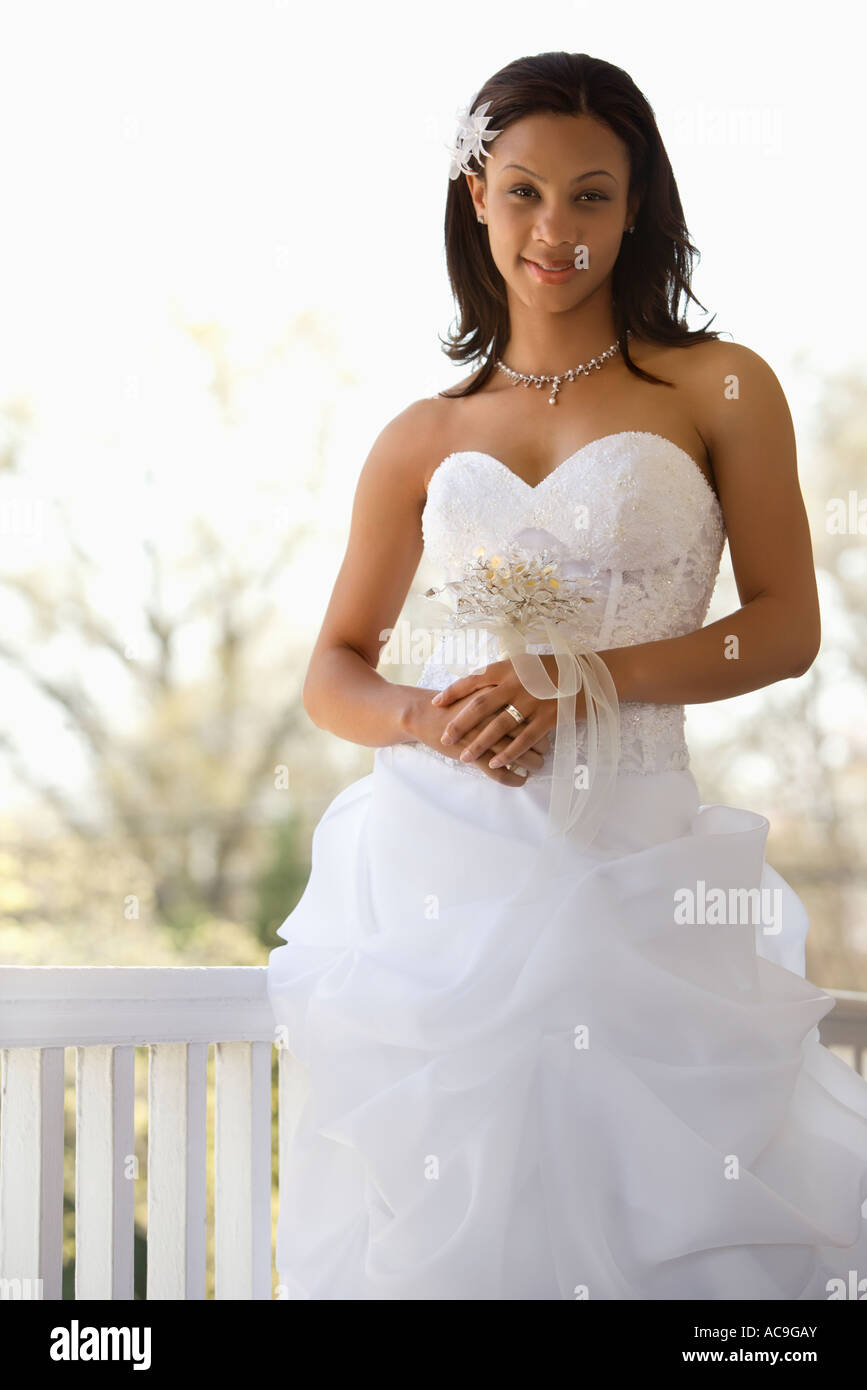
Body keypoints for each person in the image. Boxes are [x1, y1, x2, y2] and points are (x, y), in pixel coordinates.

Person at [266, 50, 867, 1300]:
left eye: (592, 195)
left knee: (669, 1213)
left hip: (639, 866)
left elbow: (788, 625)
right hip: (436, 878)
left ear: (638, 203)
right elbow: (333, 669)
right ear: (474, 195)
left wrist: (585, 676)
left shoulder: (721, 385)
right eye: (526, 191)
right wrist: (428, 719)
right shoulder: (420, 437)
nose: (556, 229)